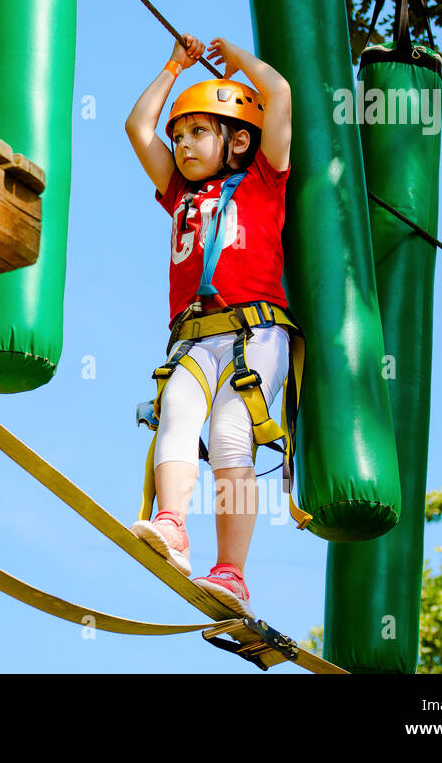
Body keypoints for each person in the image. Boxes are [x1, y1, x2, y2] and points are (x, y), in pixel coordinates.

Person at [122, 33, 294, 618]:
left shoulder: (266, 180)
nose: (183, 143)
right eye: (181, 135)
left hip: (254, 335)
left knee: (228, 437)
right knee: (176, 415)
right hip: (194, 338)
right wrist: (174, 66)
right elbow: (137, 127)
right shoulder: (179, 194)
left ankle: (233, 572)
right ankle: (172, 525)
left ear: (238, 140)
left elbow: (277, 91)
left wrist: (237, 61)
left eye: (199, 132)